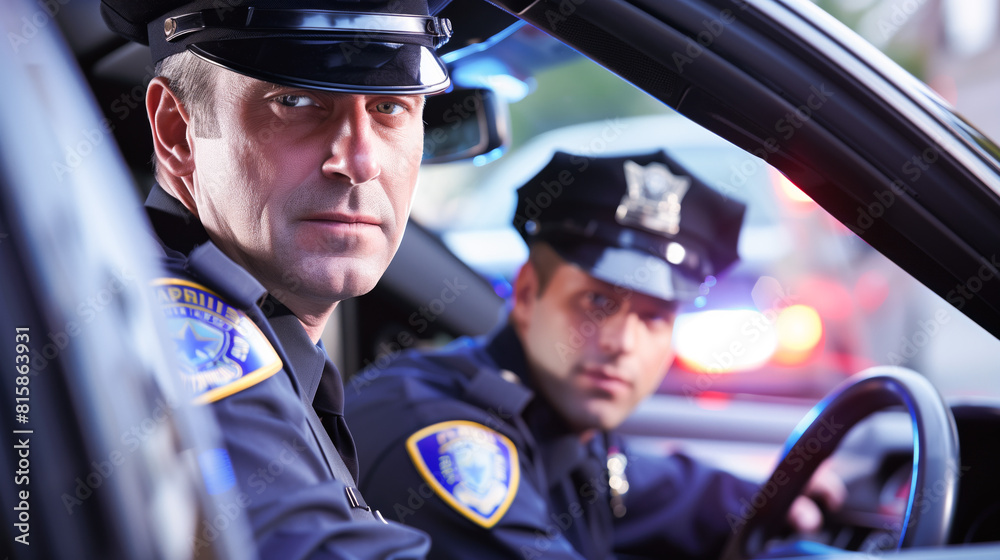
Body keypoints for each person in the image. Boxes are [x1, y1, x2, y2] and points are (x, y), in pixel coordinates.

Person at [345, 151, 845, 559]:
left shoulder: (561, 425)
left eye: (654, 317)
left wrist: (775, 494)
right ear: (527, 294)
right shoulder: (445, 436)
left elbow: (656, 487)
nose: (622, 342)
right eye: (597, 303)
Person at [100, 0, 454, 557]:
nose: (360, 162)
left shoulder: (264, 335)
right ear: (177, 132)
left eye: (389, 106)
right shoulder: (177, 334)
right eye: (296, 101)